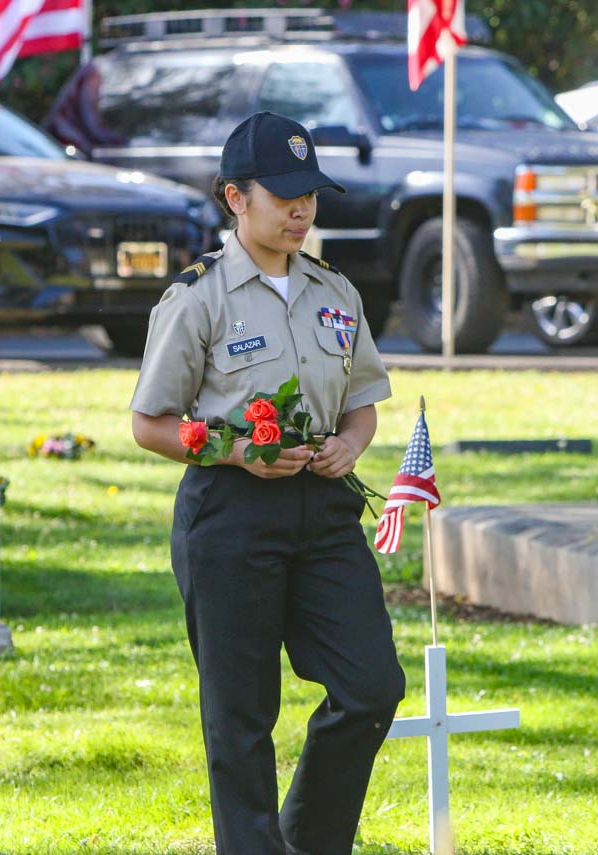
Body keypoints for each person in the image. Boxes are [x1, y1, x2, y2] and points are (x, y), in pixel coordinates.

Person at [129, 112, 405, 855]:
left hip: (322, 513)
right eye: (282, 194)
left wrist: (350, 443)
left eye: (309, 193)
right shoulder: (199, 298)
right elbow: (151, 422)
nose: (301, 209)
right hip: (231, 515)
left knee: (371, 687)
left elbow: (361, 402)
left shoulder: (334, 291)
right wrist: (234, 451)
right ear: (234, 198)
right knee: (241, 716)